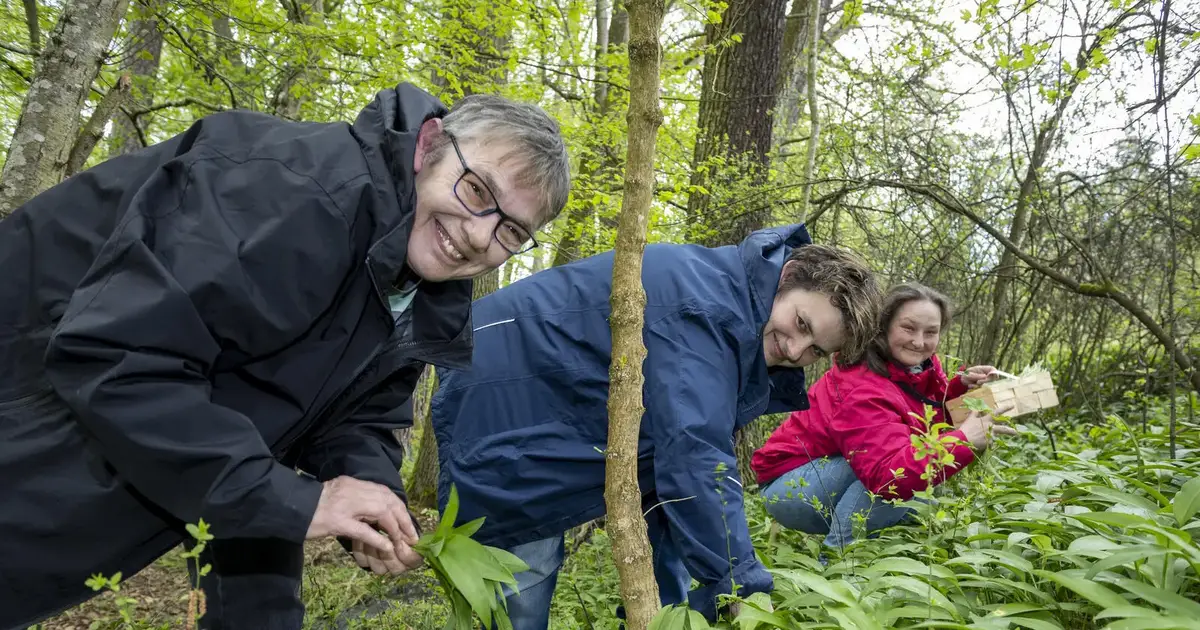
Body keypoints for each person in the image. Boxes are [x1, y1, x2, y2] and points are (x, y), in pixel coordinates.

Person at [0, 82, 570, 630]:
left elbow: (355, 416)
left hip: (133, 471)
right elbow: (117, 354)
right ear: (429, 146)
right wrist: (299, 501)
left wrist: (371, 500)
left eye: (512, 232)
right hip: (31, 416)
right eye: (477, 191)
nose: (479, 236)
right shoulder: (301, 195)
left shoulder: (417, 284)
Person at [428, 223, 881, 626]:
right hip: (505, 402)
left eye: (816, 350)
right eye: (801, 322)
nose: (795, 349)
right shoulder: (709, 307)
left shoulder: (732, 306)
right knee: (520, 581)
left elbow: (669, 478)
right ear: (785, 278)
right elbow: (694, 455)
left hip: (541, 403)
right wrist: (742, 585)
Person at [751, 282, 1017, 551]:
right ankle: (838, 563)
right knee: (897, 475)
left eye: (931, 332)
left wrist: (959, 388)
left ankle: (876, 553)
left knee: (923, 493)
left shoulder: (917, 368)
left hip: (821, 474)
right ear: (884, 325)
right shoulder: (861, 384)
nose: (919, 341)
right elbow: (889, 477)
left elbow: (918, 416)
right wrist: (964, 440)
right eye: (908, 328)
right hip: (787, 487)